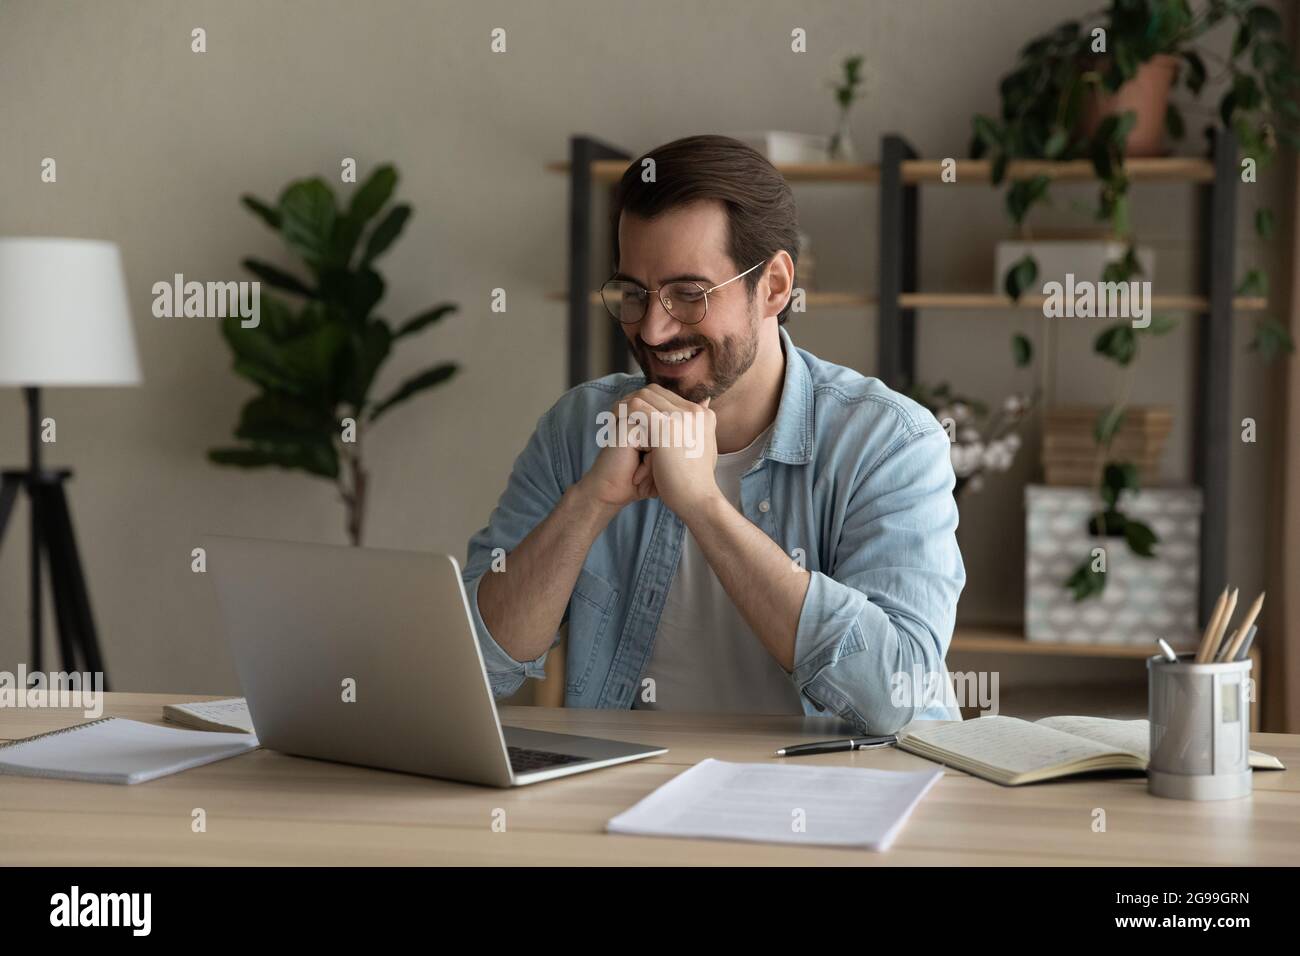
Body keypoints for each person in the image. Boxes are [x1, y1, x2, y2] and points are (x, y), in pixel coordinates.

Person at [463, 134, 964, 733]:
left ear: (775, 286)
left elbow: (894, 698)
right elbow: (480, 664)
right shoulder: (579, 428)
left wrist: (703, 506)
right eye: (634, 294)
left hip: (844, 803)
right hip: (627, 802)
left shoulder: (890, 443)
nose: (651, 330)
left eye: (688, 295)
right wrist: (591, 501)